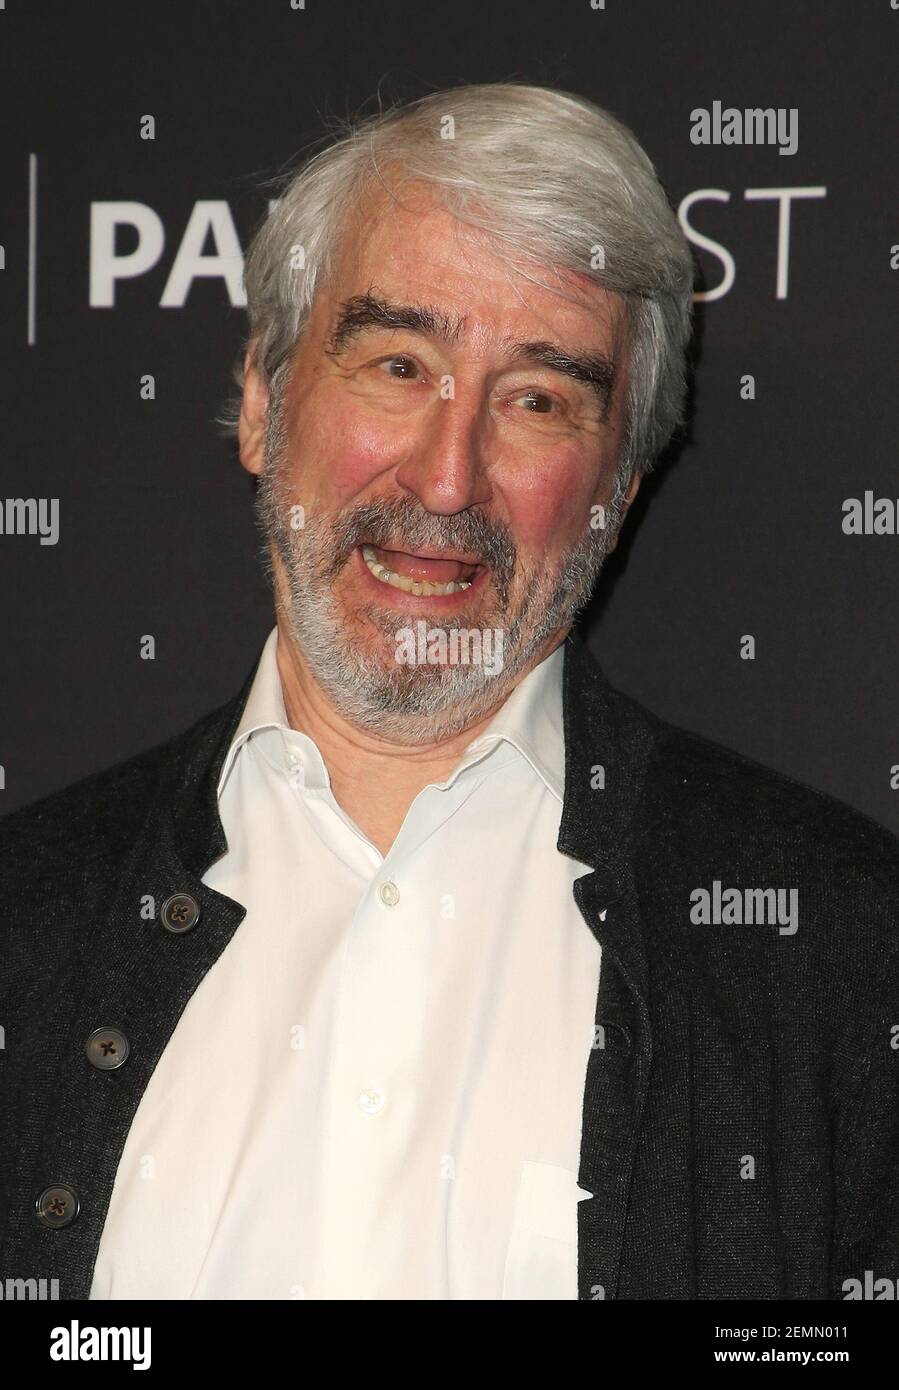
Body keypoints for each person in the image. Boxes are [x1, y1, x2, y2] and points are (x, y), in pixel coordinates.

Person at [1, 83, 896, 1302]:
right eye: (395, 362)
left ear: (617, 488)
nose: (445, 473)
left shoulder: (838, 959)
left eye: (536, 398)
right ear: (264, 404)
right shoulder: (28, 922)